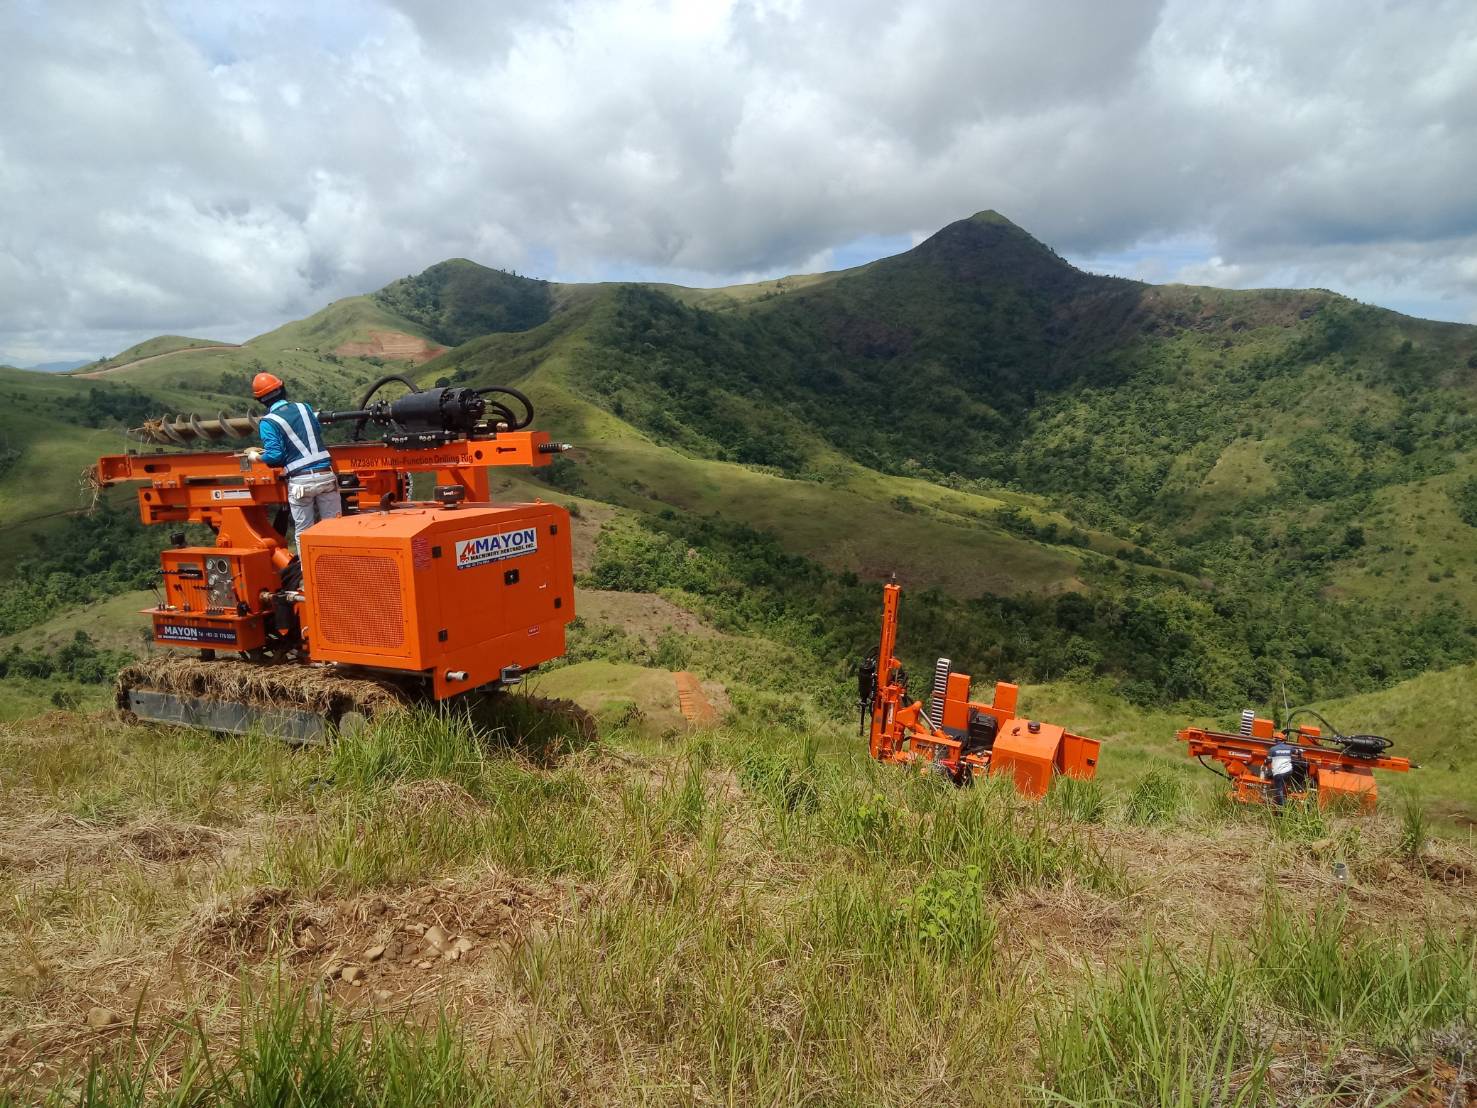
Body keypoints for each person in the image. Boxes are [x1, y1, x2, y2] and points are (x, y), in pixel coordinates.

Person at [244, 372, 340, 550]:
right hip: (326, 475)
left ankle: (309, 575)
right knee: (335, 529)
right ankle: (336, 571)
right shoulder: (305, 408)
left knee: (304, 534)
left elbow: (275, 457)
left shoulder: (268, 422)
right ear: (283, 389)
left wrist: (256, 457)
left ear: (261, 400)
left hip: (301, 482)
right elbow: (314, 433)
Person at [1266, 736, 1296, 807]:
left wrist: (1270, 772)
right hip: (1288, 771)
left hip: (1278, 773)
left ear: (1276, 741)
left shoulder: (1272, 749)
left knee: (1279, 789)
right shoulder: (1289, 747)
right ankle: (1287, 796)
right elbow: (1297, 751)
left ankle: (1282, 807)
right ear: (1284, 741)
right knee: (1284, 785)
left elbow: (1268, 761)